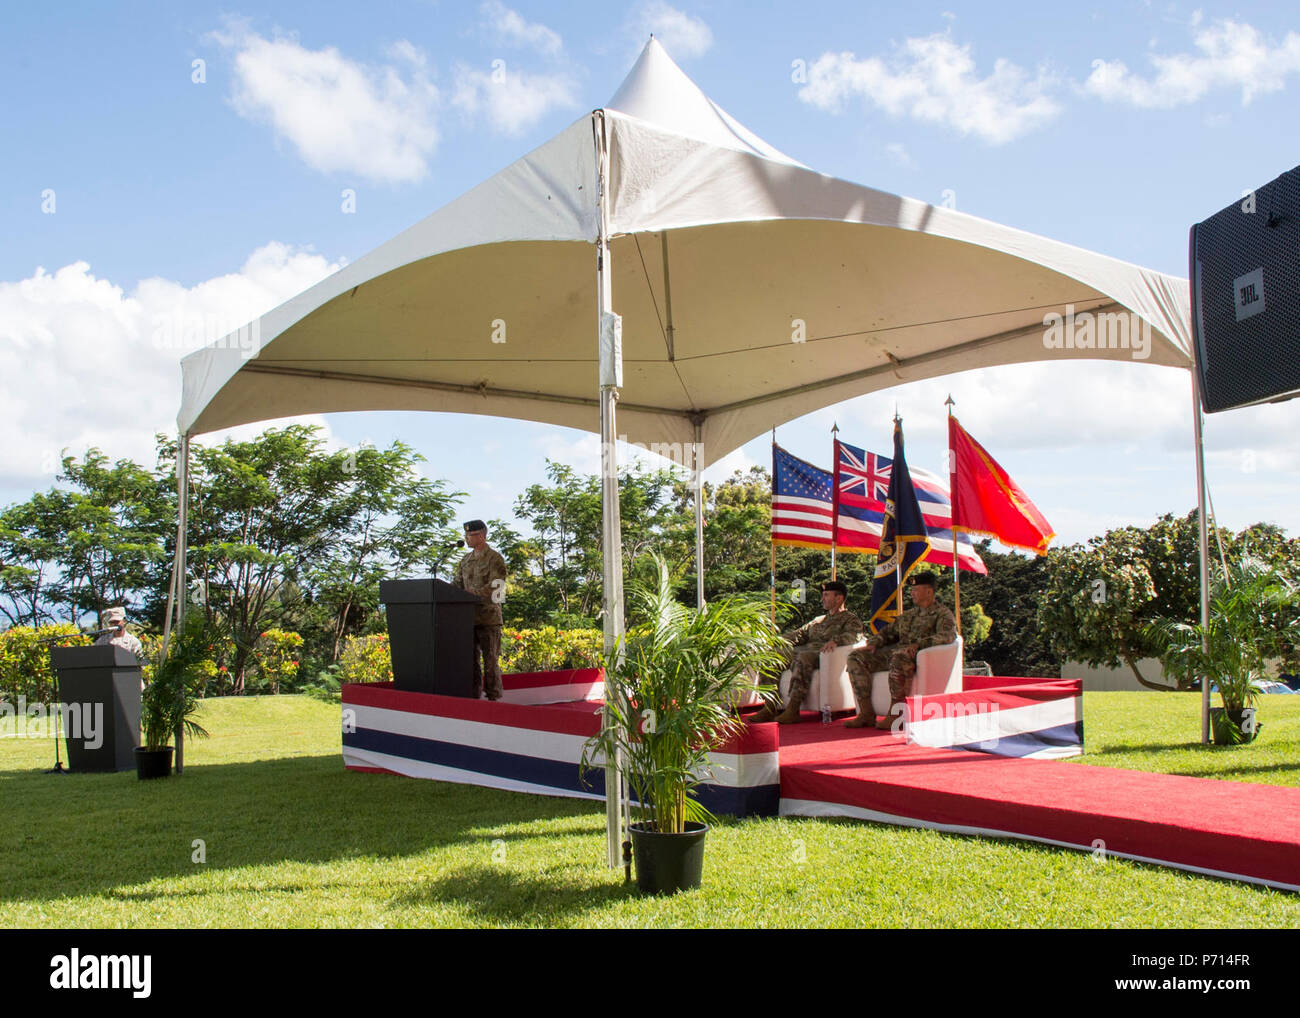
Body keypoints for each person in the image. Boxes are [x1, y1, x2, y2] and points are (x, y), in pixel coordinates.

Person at [845, 571, 956, 730]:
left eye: (916, 590)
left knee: (898, 657)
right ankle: (866, 713)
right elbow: (888, 633)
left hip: (917, 658)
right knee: (856, 657)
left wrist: (920, 645)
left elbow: (948, 636)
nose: (912, 593)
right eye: (912, 590)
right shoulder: (909, 615)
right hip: (895, 654)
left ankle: (896, 714)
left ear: (929, 591)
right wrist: (875, 642)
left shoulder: (943, 614)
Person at [750, 580, 863, 725]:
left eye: (826, 595)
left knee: (803, 657)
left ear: (839, 598)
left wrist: (837, 641)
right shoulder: (818, 620)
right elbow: (799, 634)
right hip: (805, 650)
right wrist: (773, 641)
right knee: (773, 656)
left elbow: (855, 635)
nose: (822, 599)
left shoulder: (850, 619)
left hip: (823, 654)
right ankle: (770, 705)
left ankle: (793, 709)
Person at [452, 519, 508, 700]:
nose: (467, 538)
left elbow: (498, 589)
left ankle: (494, 698)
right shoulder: (465, 560)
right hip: (468, 618)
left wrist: (472, 593)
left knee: (490, 661)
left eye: (470, 535)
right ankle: (473, 698)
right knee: (470, 662)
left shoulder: (495, 558)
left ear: (482, 536)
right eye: (466, 535)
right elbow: (456, 585)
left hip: (488, 619)